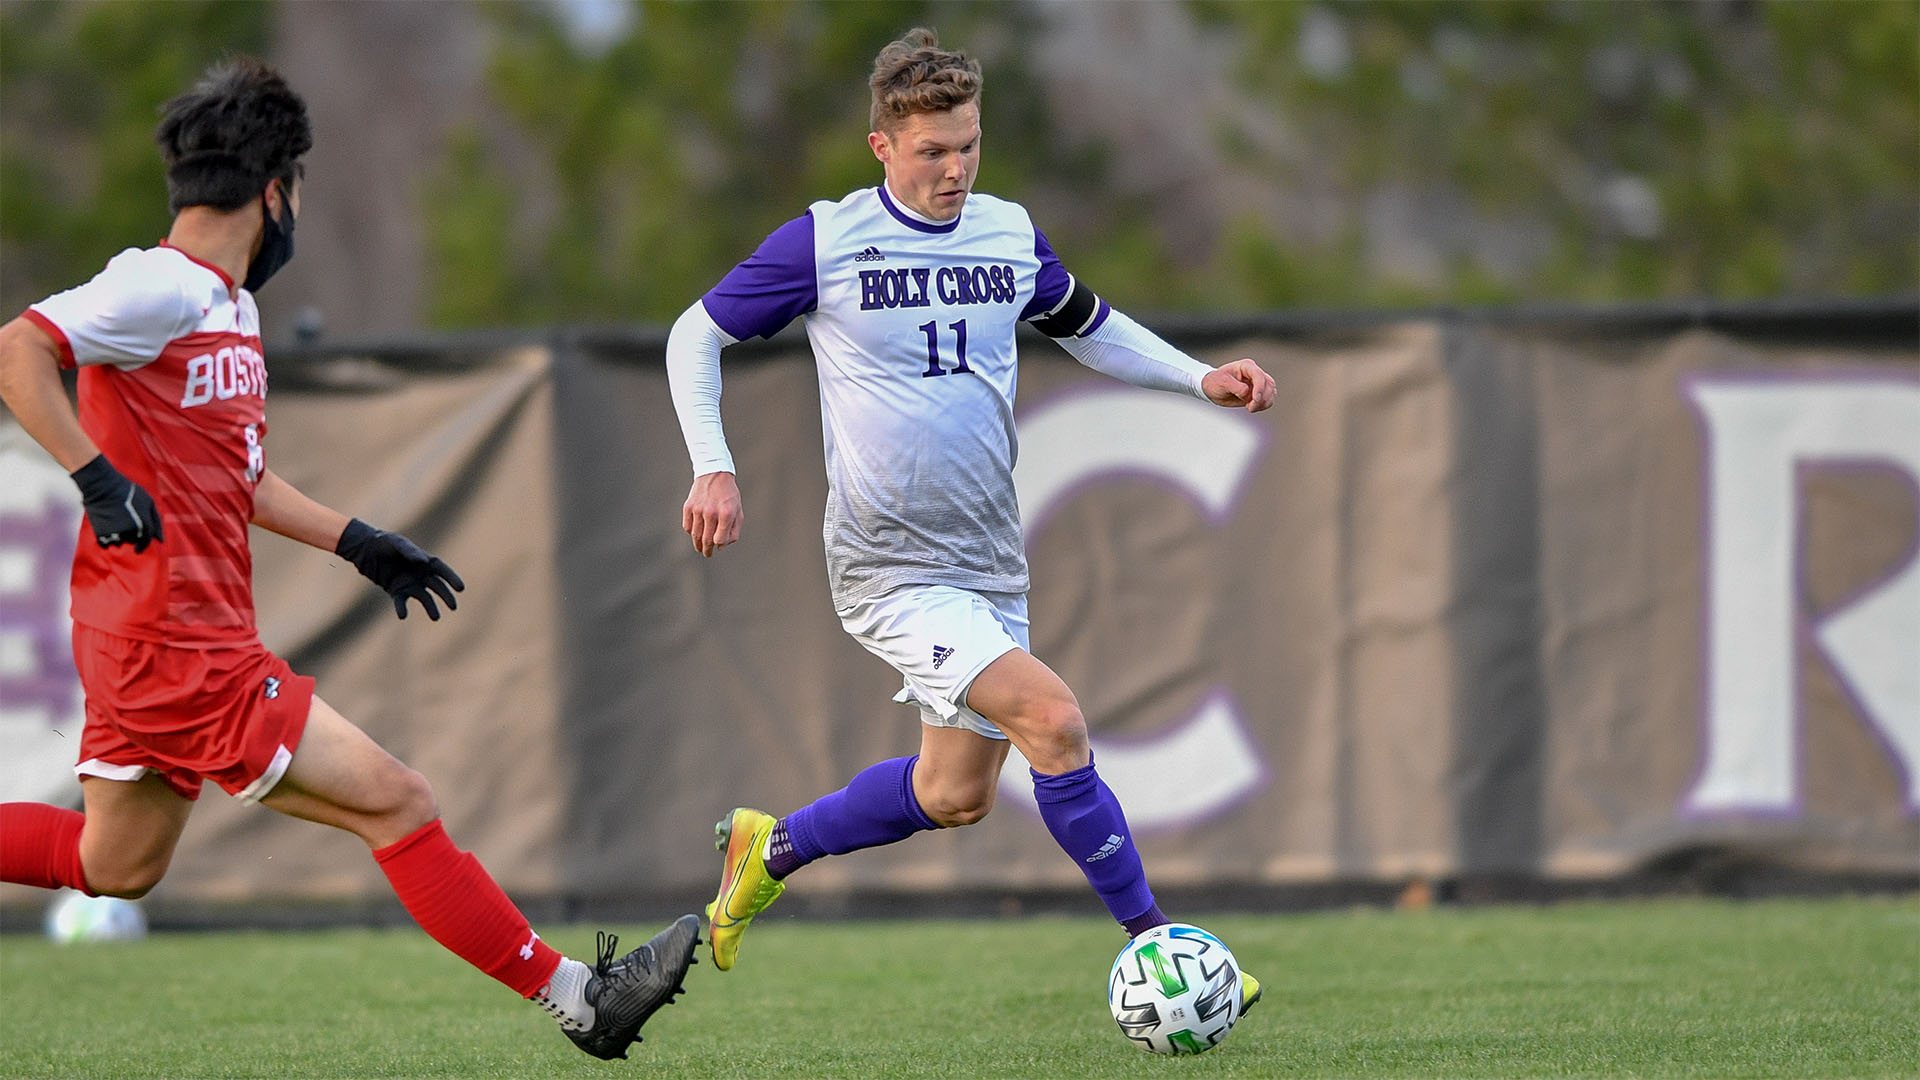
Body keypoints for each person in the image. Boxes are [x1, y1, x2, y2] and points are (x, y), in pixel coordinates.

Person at [0, 56, 696, 1062]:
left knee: (117, 863)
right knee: (398, 802)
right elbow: (18, 349)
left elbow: (239, 482)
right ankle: (584, 999)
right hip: (175, 643)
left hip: (153, 636)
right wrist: (95, 479)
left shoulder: (230, 313)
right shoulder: (157, 284)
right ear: (275, 190)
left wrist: (360, 543)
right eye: (300, 195)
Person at [667, 28, 1276, 1015]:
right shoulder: (827, 241)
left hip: (989, 557)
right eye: (932, 151)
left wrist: (1198, 378)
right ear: (882, 148)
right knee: (1057, 721)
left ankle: (766, 851)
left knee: (954, 794)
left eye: (968, 146)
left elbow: (1088, 324)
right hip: (889, 564)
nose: (954, 170)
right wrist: (714, 466)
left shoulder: (1006, 233)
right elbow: (694, 335)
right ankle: (1163, 950)